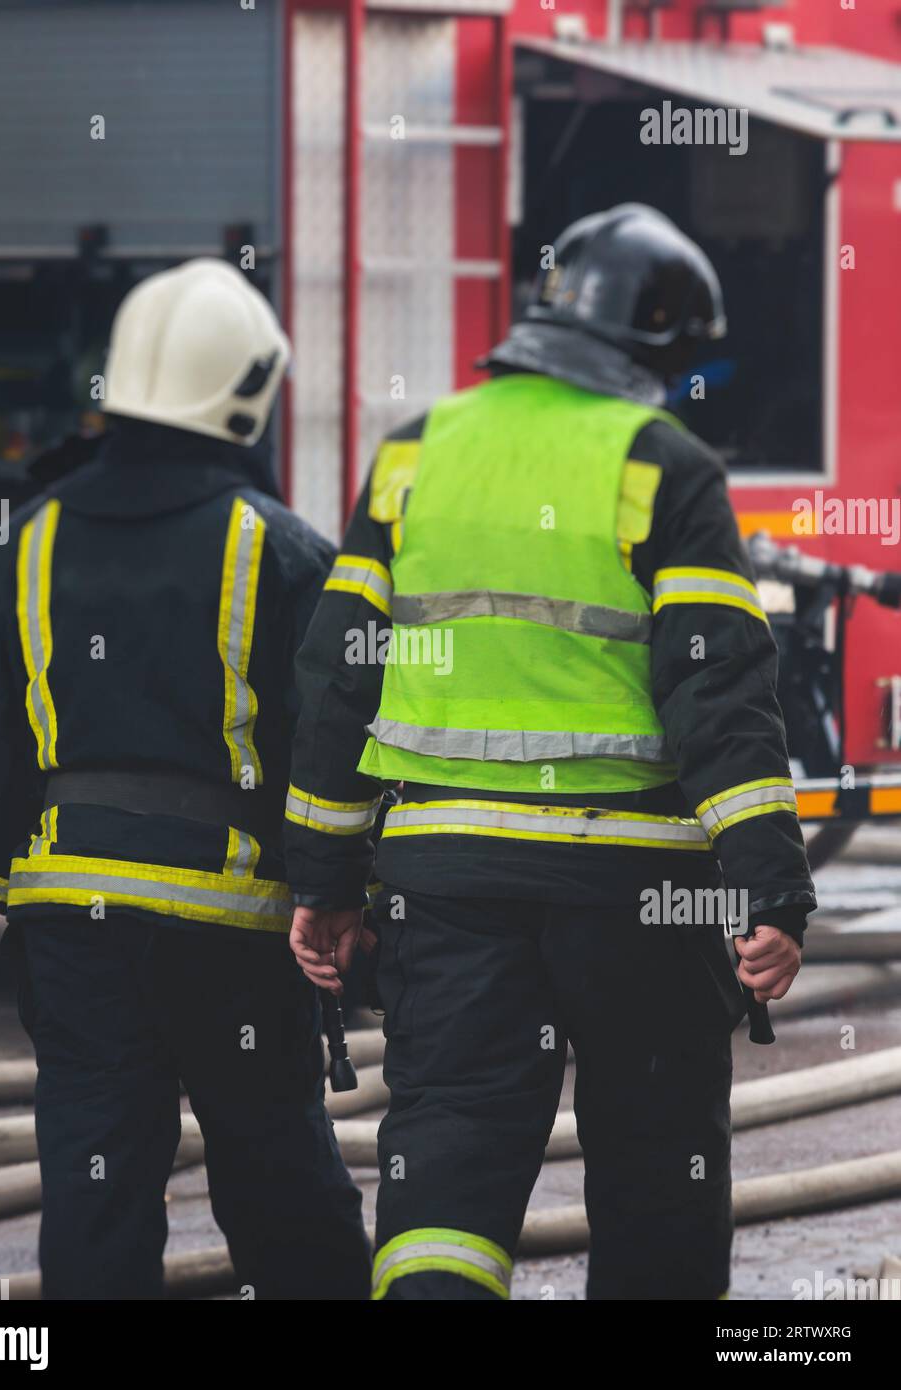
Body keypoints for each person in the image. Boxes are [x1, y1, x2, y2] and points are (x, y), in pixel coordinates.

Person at [285, 205, 816, 1301]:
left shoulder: (414, 454)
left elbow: (340, 673)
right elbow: (717, 684)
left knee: (444, 1160)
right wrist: (768, 883)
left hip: (445, 882)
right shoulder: (661, 463)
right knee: (655, 1167)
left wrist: (323, 879)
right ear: (657, 347)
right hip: (635, 890)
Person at [0, 258, 370, 1301]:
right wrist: (334, 902)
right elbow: (328, 756)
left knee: (95, 1201)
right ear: (246, 390)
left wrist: (18, 906)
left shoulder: (30, 535)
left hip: (71, 933)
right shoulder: (280, 551)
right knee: (281, 1186)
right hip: (232, 932)